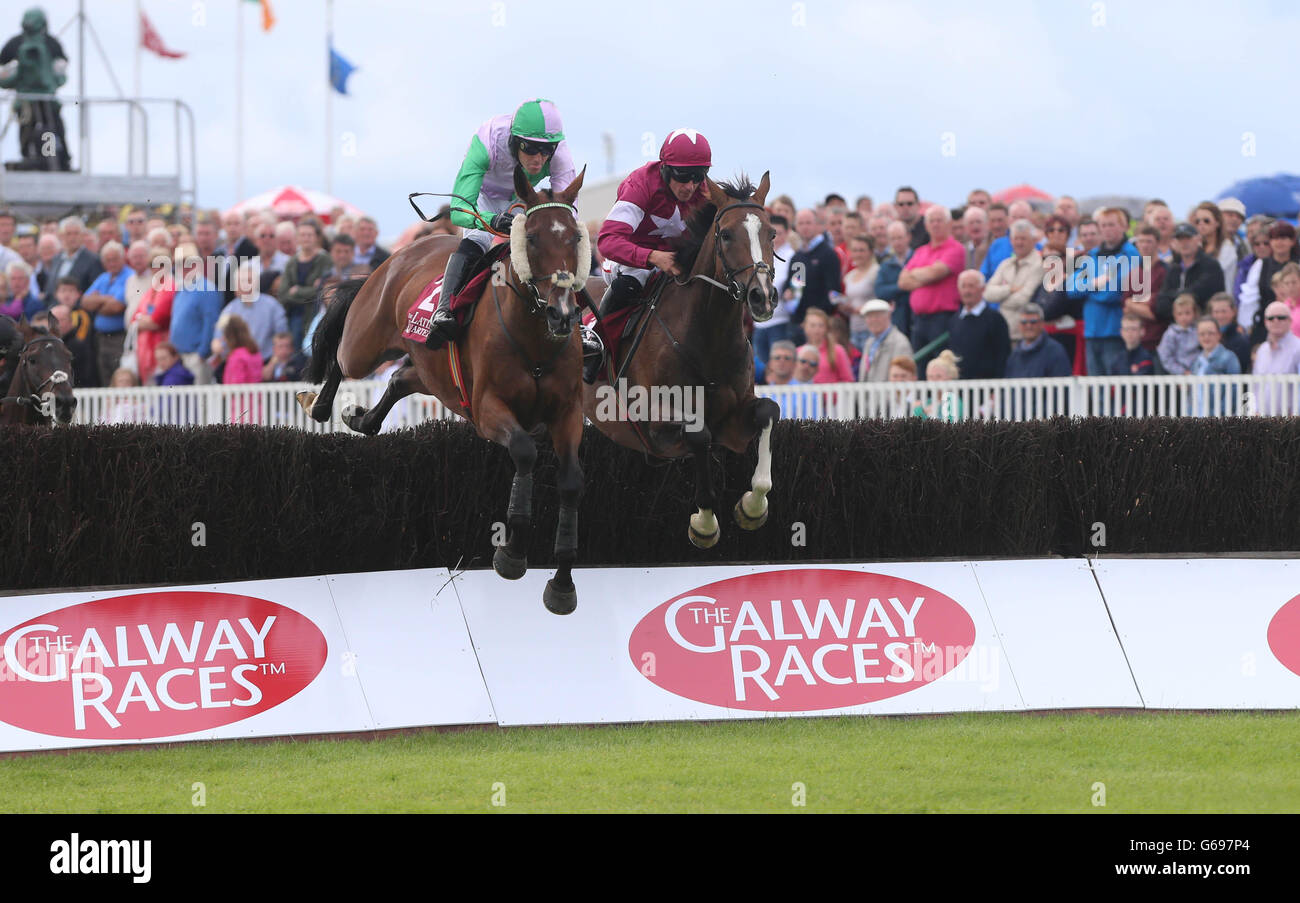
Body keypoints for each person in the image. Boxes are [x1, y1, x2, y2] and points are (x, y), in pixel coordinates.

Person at [431, 99, 576, 346]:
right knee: (477, 239)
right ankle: (444, 310)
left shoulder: (559, 153)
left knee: (561, 242)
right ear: (514, 141)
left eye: (546, 150)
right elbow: (459, 209)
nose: (539, 159)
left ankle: (578, 323)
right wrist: (491, 220)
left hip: (524, 196)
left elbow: (569, 210)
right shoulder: (487, 140)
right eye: (530, 149)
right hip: (486, 197)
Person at [0, 7, 70, 170]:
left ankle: (50, 159)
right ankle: (44, 159)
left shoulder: (19, 43)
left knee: (48, 130)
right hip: (32, 101)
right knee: (37, 130)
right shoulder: (48, 43)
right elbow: (61, 71)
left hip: (42, 101)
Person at [899, 205, 964, 374]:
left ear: (949, 224)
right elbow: (903, 281)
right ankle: (922, 402)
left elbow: (936, 272)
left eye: (939, 220)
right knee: (920, 369)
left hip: (942, 319)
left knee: (943, 368)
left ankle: (947, 402)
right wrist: (927, 275)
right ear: (926, 226)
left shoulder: (955, 248)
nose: (935, 224)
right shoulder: (920, 251)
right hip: (919, 320)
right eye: (932, 221)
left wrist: (918, 274)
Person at [984, 219, 1043, 342]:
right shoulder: (1005, 264)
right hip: (1002, 333)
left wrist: (1000, 300)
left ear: (1033, 241)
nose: (1019, 242)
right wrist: (1009, 289)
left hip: (1024, 336)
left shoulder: (1040, 264)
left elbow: (1024, 299)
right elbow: (987, 293)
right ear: (1011, 240)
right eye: (1016, 239)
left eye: (1023, 239)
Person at [947, 269, 1010, 379]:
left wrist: (996, 386)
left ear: (982, 289)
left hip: (987, 388)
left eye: (971, 286)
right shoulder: (954, 320)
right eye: (963, 286)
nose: (967, 291)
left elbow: (1003, 355)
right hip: (960, 387)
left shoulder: (995, 319)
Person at [220, 261, 287, 361]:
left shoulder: (272, 306)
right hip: (239, 363)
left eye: (249, 281)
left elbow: (282, 339)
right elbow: (218, 340)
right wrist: (218, 346)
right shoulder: (229, 310)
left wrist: (272, 365)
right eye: (241, 281)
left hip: (266, 362)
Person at [277, 217, 330, 344]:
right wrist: (310, 290)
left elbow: (322, 291)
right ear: (297, 238)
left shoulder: (324, 260)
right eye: (302, 235)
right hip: (293, 318)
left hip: (315, 316)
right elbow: (283, 294)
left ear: (316, 237)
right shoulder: (292, 261)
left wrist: (297, 291)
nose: (306, 238)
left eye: (309, 235)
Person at [1252, 301, 1300, 413]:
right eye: (1271, 318)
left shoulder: (1298, 348)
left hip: (1291, 422)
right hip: (1262, 421)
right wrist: (1255, 410)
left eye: (1281, 317)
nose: (1276, 321)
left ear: (1290, 321)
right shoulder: (1262, 350)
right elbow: (1255, 385)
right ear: (1265, 322)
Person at [1004, 302, 1071, 379]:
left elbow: (1062, 385)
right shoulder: (1015, 355)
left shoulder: (1055, 351)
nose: (1028, 326)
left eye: (1033, 322)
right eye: (1024, 322)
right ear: (1019, 325)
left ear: (1042, 324)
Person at [839, 234, 879, 350]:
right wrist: (844, 307)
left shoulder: (876, 272)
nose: (858, 254)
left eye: (862, 250)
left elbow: (881, 299)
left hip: (871, 328)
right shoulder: (849, 276)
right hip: (854, 329)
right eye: (855, 250)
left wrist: (863, 309)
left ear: (870, 252)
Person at [857, 299, 912, 382]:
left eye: (877, 316)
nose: (873, 320)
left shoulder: (900, 342)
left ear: (888, 316)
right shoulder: (869, 342)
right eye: (869, 316)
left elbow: (903, 376)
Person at [801, 307, 854, 383]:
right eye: (812, 325)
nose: (817, 329)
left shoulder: (838, 350)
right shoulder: (798, 352)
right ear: (804, 327)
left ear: (826, 328)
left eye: (821, 325)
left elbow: (848, 380)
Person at [1156, 294, 1201, 375]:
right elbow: (1165, 357)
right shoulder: (1170, 333)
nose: (1184, 317)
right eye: (1180, 314)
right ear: (1175, 315)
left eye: (1187, 313)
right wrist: (1181, 372)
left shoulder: (1199, 330)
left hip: (1198, 372)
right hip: (1177, 375)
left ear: (1194, 313)